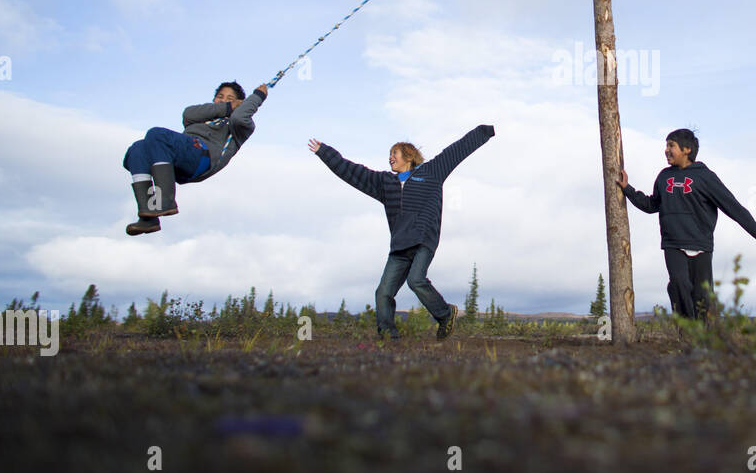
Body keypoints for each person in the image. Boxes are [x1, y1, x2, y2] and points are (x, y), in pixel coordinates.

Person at [310, 125, 494, 341]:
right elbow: (351, 171)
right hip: (399, 246)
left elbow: (457, 150)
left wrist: (486, 131)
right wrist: (324, 153)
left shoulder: (431, 172)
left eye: (394, 154)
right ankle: (388, 337)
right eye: (389, 155)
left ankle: (445, 314)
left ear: (408, 155)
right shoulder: (384, 183)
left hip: (424, 239)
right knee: (383, 293)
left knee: (416, 280)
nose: (390, 158)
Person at [617, 129, 756, 322]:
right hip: (673, 243)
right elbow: (651, 205)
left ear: (687, 149)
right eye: (666, 145)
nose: (666, 150)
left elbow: (731, 205)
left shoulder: (705, 177)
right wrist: (628, 190)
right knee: (679, 285)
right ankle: (687, 332)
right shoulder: (664, 177)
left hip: (701, 243)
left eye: (671, 145)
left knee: (702, 295)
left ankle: (702, 336)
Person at [122, 81, 268, 235]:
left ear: (240, 103)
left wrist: (257, 97)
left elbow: (239, 117)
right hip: (178, 163)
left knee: (156, 134)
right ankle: (148, 217)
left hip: (202, 157)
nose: (224, 100)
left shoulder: (239, 127)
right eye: (220, 96)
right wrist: (228, 106)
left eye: (230, 98)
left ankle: (165, 201)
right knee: (137, 149)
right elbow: (188, 113)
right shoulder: (199, 117)